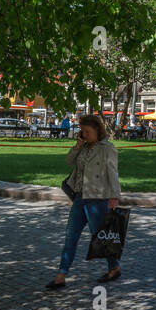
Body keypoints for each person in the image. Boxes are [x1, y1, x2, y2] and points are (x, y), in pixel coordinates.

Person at [47, 113, 122, 290]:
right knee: (70, 236)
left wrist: (114, 197)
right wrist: (77, 145)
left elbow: (113, 174)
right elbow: (68, 162)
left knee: (100, 237)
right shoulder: (83, 146)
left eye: (87, 132)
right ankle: (61, 276)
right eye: (82, 131)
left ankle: (114, 267)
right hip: (79, 198)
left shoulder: (107, 148)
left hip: (97, 199)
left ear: (97, 130)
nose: (84, 135)